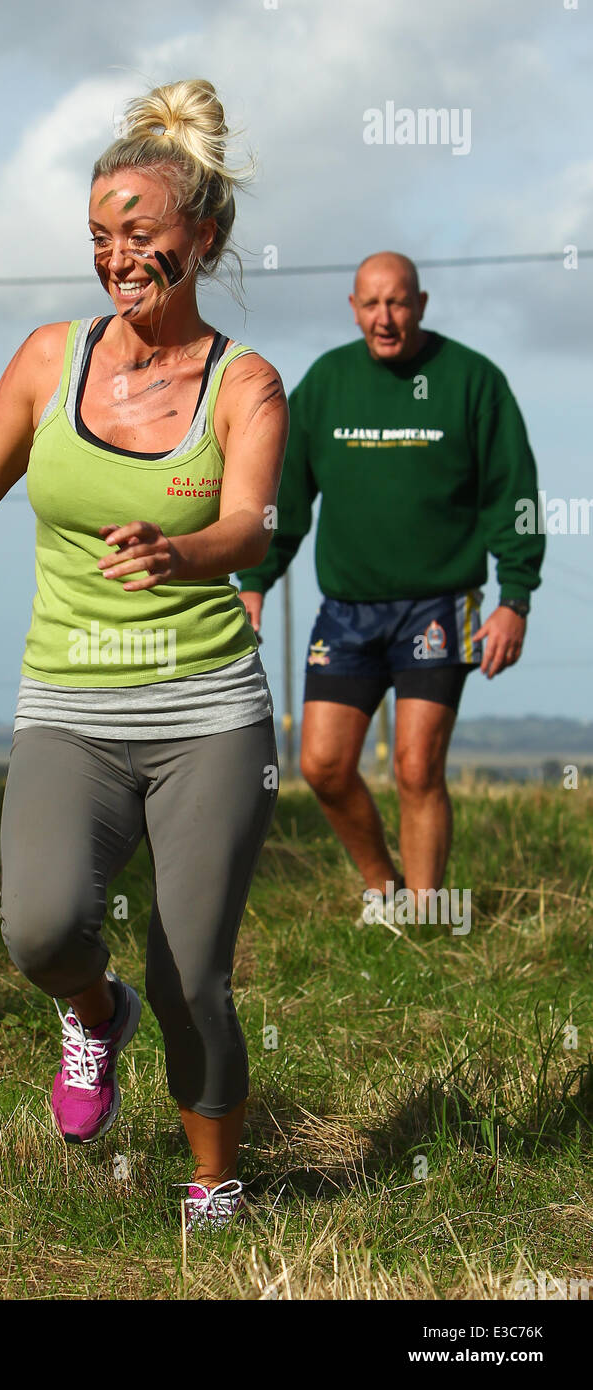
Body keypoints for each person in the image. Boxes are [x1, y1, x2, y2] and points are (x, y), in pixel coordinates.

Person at [0, 78, 288, 1231]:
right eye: (99, 237)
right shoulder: (48, 362)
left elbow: (250, 526)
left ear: (204, 237)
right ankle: (93, 1011)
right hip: (69, 705)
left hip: (208, 714)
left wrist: (183, 553)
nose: (118, 257)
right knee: (38, 926)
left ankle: (214, 1184)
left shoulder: (246, 384)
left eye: (141, 234)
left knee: (195, 976)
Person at [237, 252, 544, 922]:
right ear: (353, 307)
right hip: (347, 611)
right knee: (322, 765)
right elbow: (284, 498)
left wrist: (514, 599)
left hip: (442, 605)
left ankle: (429, 921)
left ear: (422, 304)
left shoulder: (472, 381)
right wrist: (257, 580)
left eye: (398, 303)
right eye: (371, 304)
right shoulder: (327, 383)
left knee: (414, 768)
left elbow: (512, 494)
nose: (385, 318)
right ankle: (385, 888)